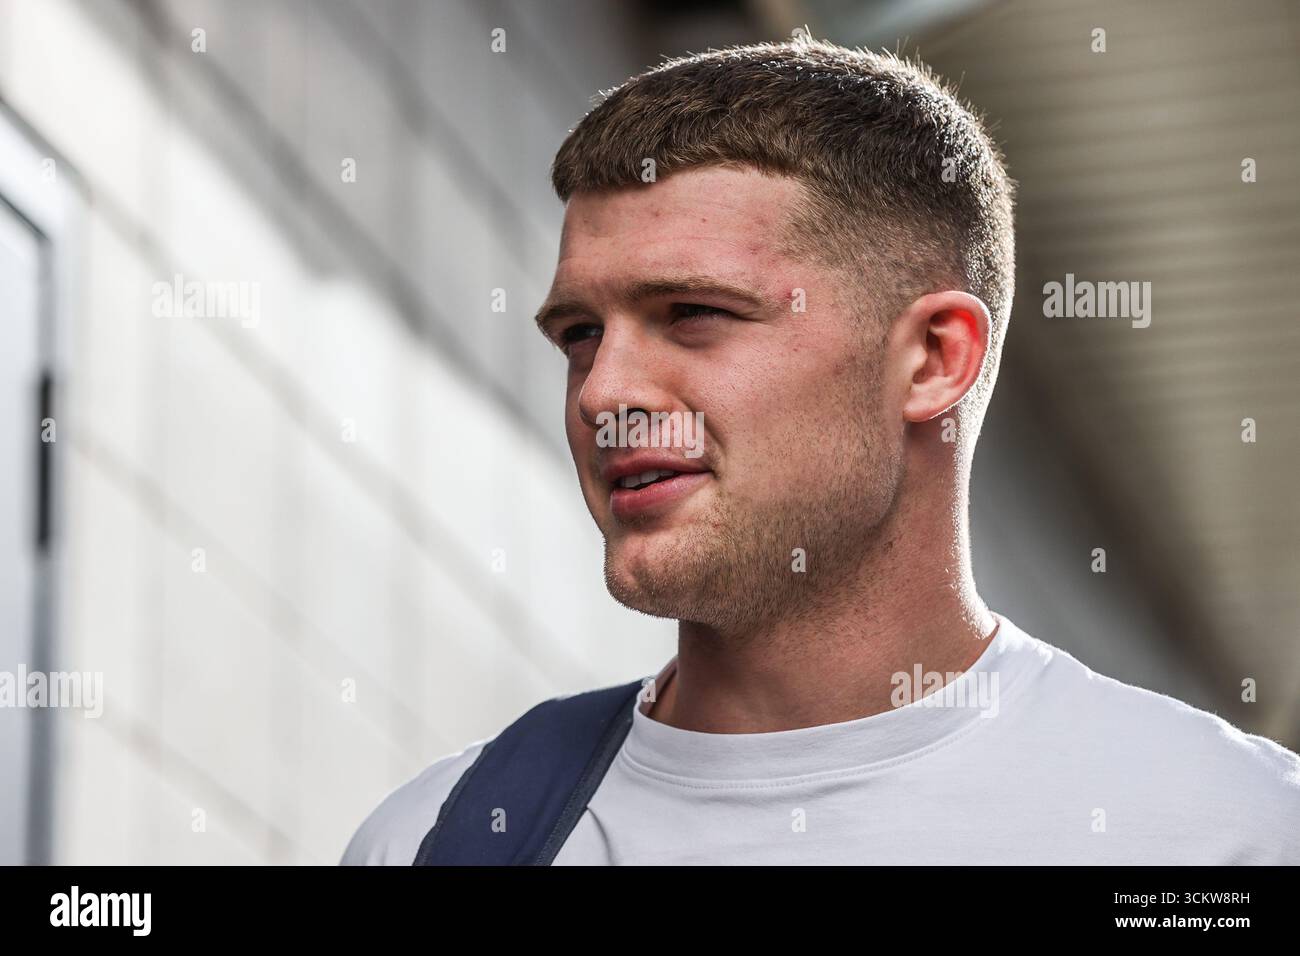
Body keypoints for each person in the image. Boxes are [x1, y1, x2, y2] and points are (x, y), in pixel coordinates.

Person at [342, 37, 1300, 865]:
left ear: (932, 360)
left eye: (694, 314)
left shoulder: (1228, 837)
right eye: (581, 333)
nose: (604, 394)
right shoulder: (440, 837)